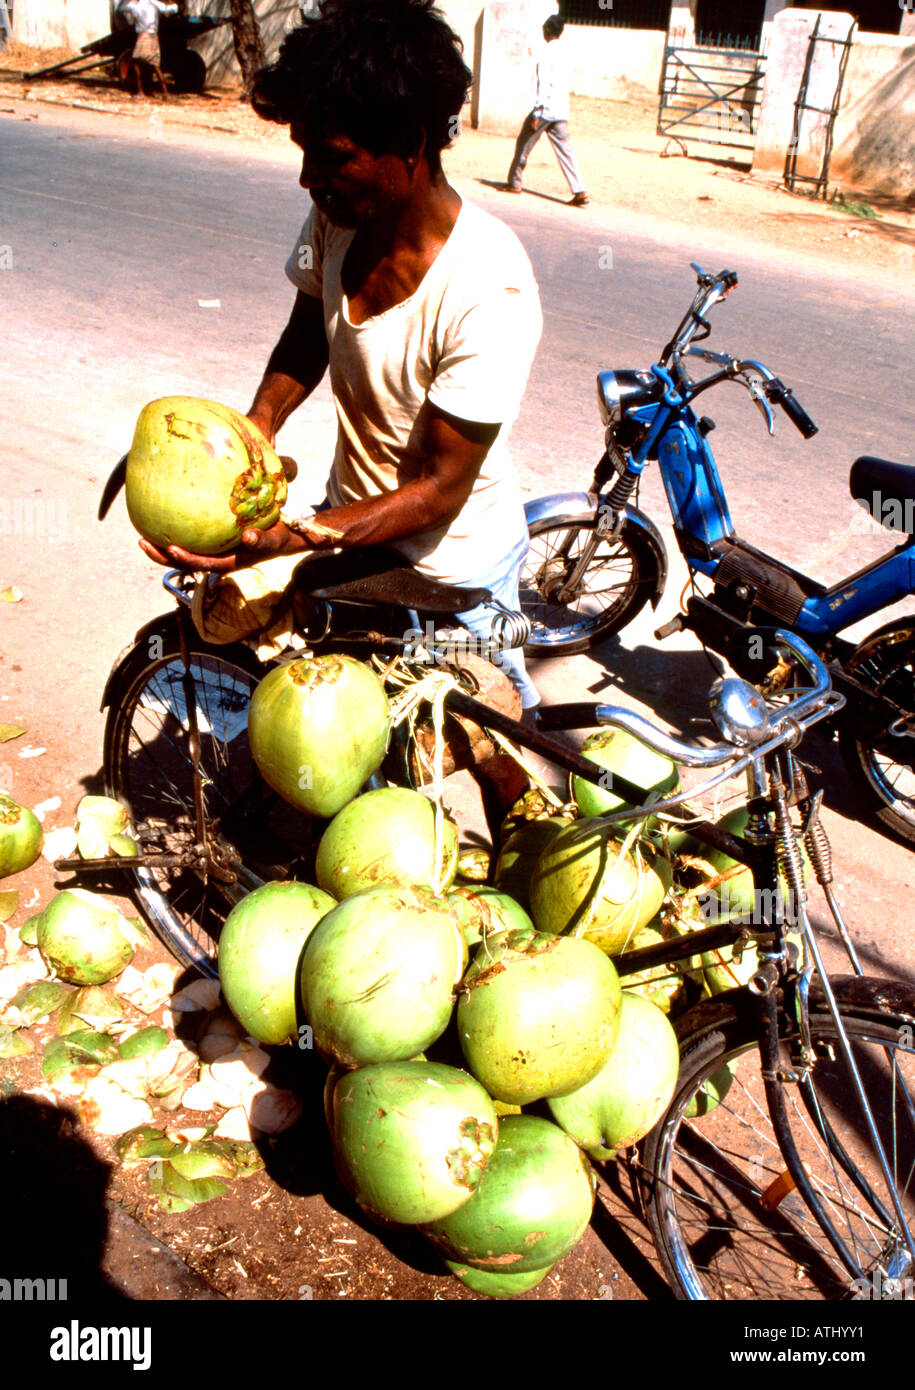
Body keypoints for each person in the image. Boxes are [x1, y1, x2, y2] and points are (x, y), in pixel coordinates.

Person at [140, 0, 544, 712]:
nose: (306, 179)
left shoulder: (490, 290)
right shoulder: (337, 215)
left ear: (409, 145)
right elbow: (306, 336)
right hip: (351, 530)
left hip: (451, 569)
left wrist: (289, 539)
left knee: (484, 750)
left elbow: (437, 490)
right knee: (343, 735)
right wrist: (252, 435)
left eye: (330, 158)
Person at [505, 14, 589, 207]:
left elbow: (545, 84)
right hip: (561, 111)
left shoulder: (546, 54)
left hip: (545, 109)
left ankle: (514, 183)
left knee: (524, 143)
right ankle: (579, 190)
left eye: (544, 28)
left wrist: (537, 113)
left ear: (549, 30)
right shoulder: (565, 53)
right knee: (566, 152)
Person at [117, 0, 179, 98]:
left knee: (136, 62)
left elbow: (120, 9)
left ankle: (140, 92)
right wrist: (176, 5)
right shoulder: (153, 3)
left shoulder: (135, 6)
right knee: (155, 64)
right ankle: (165, 92)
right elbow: (168, 9)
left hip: (143, 36)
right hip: (153, 36)